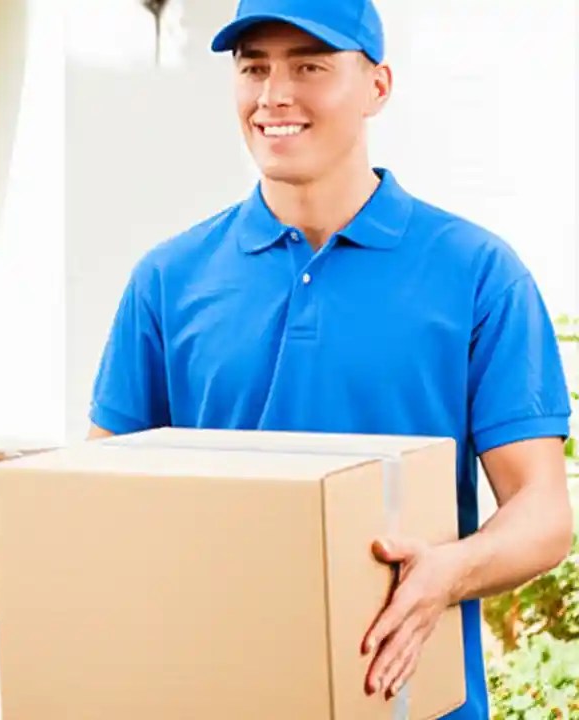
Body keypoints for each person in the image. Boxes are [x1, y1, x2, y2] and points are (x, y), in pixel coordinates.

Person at [88, 0, 574, 717]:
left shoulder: (476, 273)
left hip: (409, 702)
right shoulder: (169, 278)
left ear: (378, 86)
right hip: (213, 692)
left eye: (309, 65)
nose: (274, 94)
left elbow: (542, 511)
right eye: (254, 68)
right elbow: (103, 492)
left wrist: (449, 571)